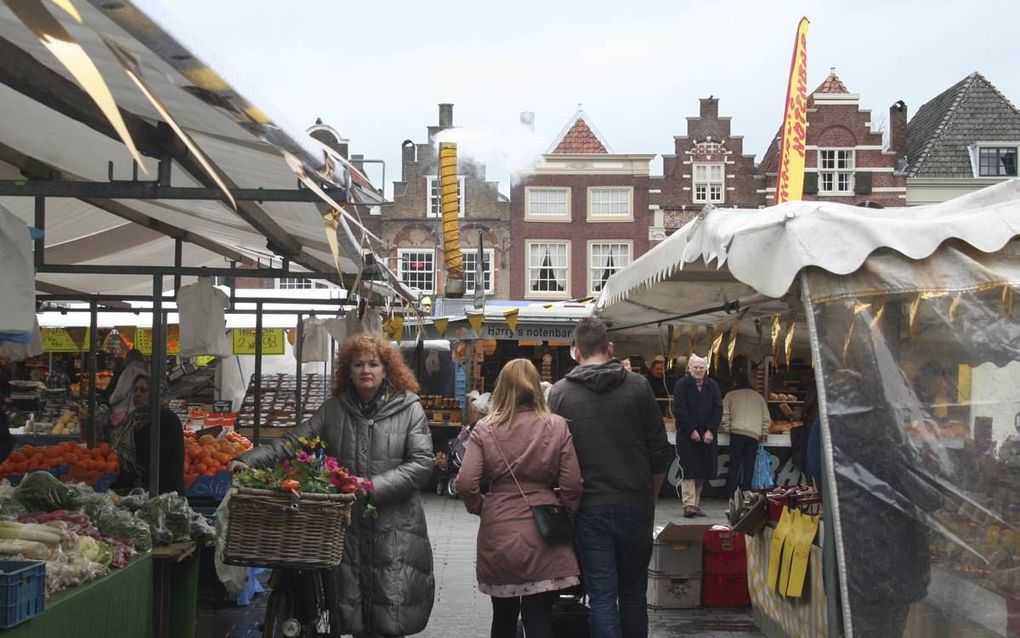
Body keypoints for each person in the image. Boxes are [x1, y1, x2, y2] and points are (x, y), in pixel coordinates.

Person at [229, 332, 435, 638]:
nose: (366, 370)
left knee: (390, 620)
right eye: (358, 364)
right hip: (348, 530)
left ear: (386, 369)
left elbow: (422, 464)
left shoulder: (409, 408)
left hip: (396, 530)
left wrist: (373, 486)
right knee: (353, 617)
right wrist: (249, 459)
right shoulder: (334, 409)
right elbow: (292, 443)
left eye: (373, 364)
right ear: (347, 371)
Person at [547, 318, 673, 638]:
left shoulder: (559, 395)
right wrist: (650, 497)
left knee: (602, 595)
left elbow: (553, 460)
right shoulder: (640, 387)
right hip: (635, 502)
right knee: (633, 596)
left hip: (589, 508)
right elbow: (660, 452)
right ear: (610, 348)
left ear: (575, 352)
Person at [456, 359, 583, 638]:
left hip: (499, 528)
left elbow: (466, 483)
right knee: (539, 617)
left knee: (503, 615)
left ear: (501, 388)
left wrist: (481, 507)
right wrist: (565, 510)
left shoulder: (485, 429)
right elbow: (572, 484)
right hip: (545, 532)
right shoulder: (557, 426)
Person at [109, 373, 185, 494]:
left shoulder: (167, 421)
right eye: (135, 390)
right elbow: (129, 469)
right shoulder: (133, 420)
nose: (137, 394)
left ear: (157, 393)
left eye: (144, 390)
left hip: (164, 495)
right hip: (138, 493)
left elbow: (169, 468)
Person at [673, 354, 722, 518]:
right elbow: (679, 410)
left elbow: (718, 409)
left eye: (702, 367)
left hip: (707, 436)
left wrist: (710, 429)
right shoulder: (681, 385)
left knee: (702, 470)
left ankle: (695, 503)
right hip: (687, 435)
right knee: (688, 469)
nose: (699, 370)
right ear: (689, 368)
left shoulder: (712, 386)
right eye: (696, 367)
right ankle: (688, 504)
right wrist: (692, 429)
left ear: (706, 369)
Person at [719, 373, 770, 497]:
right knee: (749, 465)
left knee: (734, 463)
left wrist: (727, 428)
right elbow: (766, 419)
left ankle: (730, 492)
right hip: (753, 435)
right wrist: (763, 434)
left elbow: (724, 415)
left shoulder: (730, 395)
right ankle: (746, 491)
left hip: (737, 433)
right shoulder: (759, 397)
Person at [107, 349, 147, 426]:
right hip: (138, 413)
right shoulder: (144, 372)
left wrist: (111, 400)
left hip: (125, 412)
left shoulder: (128, 372)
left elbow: (120, 393)